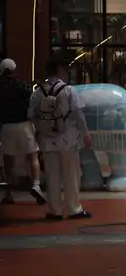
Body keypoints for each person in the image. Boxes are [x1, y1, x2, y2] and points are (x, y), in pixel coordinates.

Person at [29, 58, 93, 220]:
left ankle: (55, 211)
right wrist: (85, 133)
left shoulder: (38, 92)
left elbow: (31, 115)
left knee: (52, 177)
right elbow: (78, 114)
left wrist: (42, 129)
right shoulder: (68, 90)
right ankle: (74, 209)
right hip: (68, 140)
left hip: (47, 141)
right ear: (60, 71)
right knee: (71, 175)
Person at [0, 58, 46, 205]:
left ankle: (9, 193)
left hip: (7, 126)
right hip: (25, 125)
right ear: (14, 70)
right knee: (32, 156)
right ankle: (36, 185)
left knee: (8, 161)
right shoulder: (24, 87)